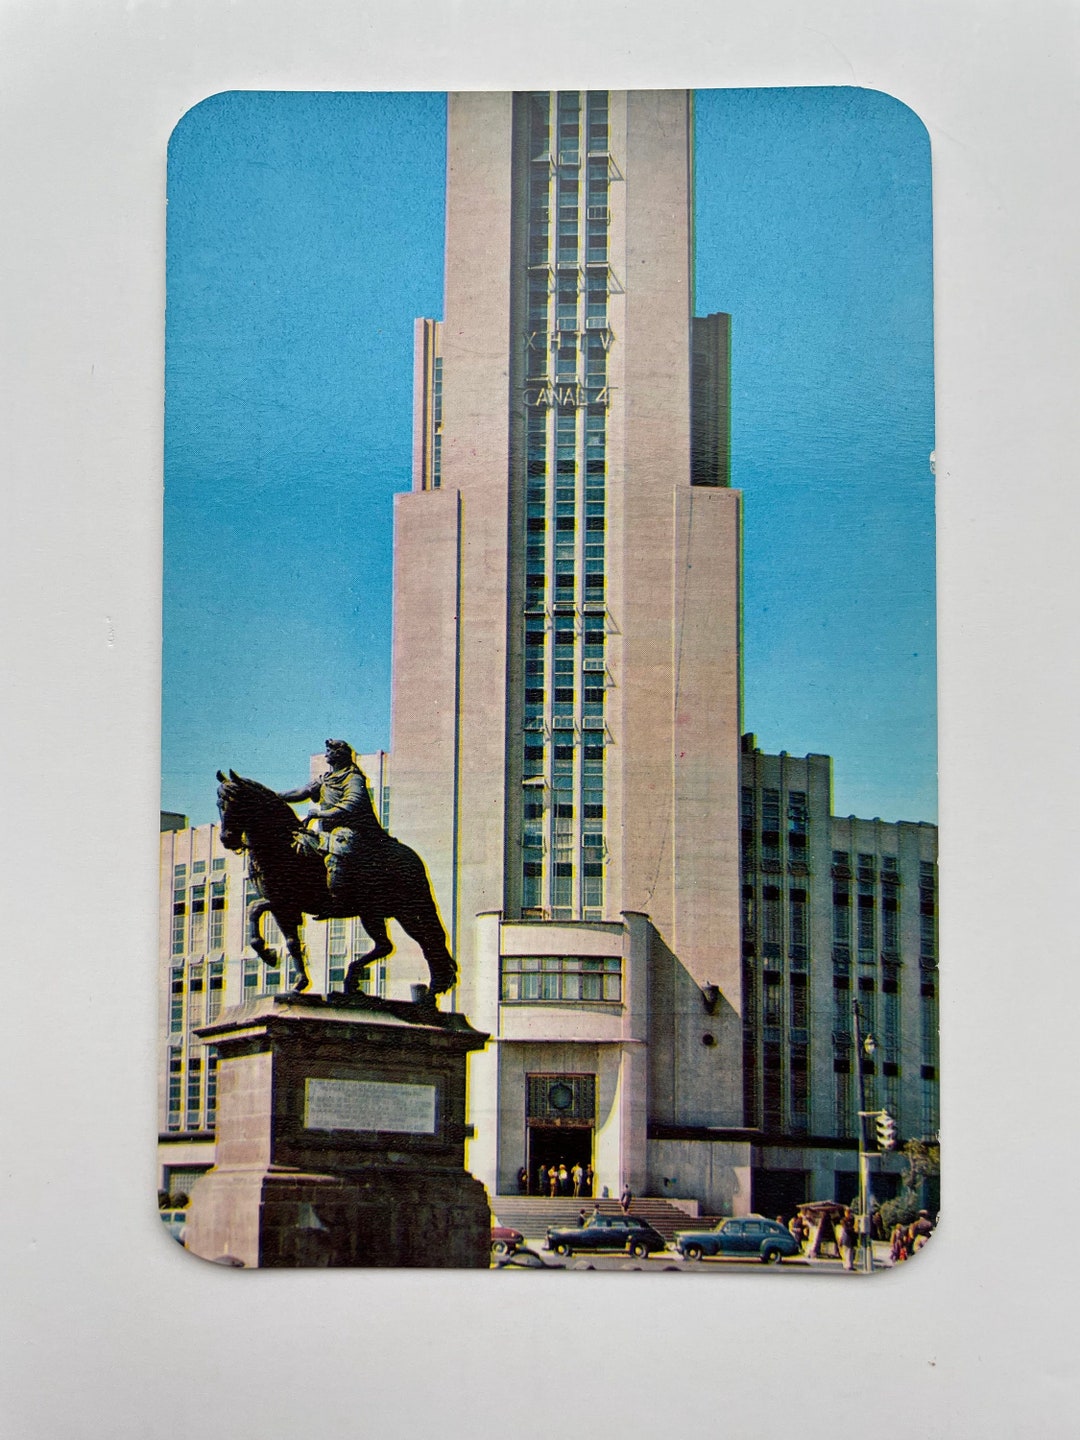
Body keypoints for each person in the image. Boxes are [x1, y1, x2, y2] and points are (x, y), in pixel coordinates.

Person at [278, 739, 382, 914]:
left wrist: (319, 814)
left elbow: (351, 804)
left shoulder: (353, 778)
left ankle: (339, 901)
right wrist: (271, 796)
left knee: (336, 852)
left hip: (351, 831)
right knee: (300, 845)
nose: (327, 753)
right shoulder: (325, 779)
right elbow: (301, 792)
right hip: (327, 832)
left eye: (330, 750)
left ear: (340, 754)